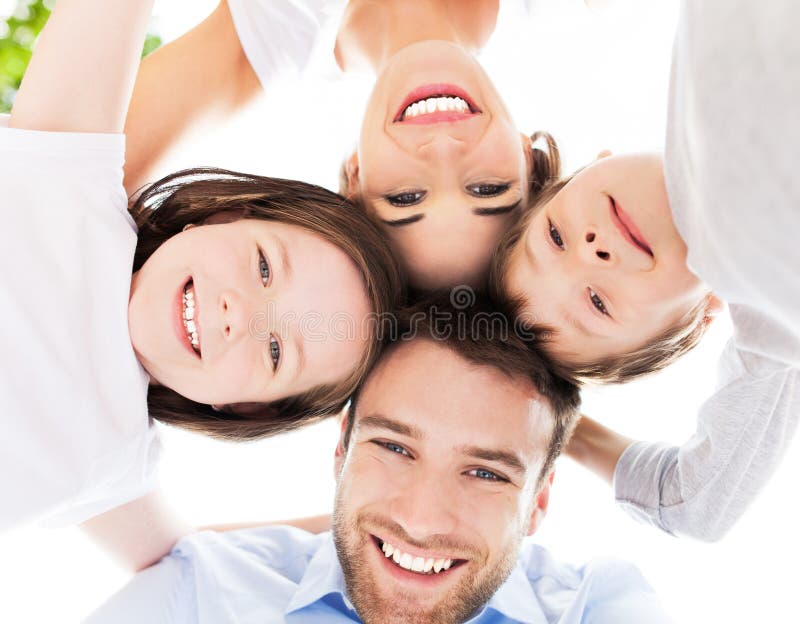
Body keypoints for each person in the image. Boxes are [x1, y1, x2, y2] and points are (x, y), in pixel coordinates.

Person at [0, 0, 403, 567]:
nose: (239, 312)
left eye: (274, 350)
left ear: (243, 409)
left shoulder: (117, 460)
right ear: (222, 218)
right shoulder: (73, 169)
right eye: (264, 266)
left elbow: (193, 556)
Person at [85, 298, 673, 623]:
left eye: (487, 472)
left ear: (538, 502)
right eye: (394, 447)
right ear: (340, 450)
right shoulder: (201, 594)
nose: (421, 519)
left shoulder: (596, 608)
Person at [514, 0, 800, 541]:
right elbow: (694, 505)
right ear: (703, 315)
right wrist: (550, 420)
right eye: (597, 303)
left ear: (590, 166)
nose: (591, 253)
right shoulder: (764, 286)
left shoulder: (692, 74)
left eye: (554, 236)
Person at [122, 0, 561, 290]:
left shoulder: (277, 35)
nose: (443, 148)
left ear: (356, 174)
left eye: (405, 197)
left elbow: (78, 171)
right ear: (526, 156)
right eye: (487, 189)